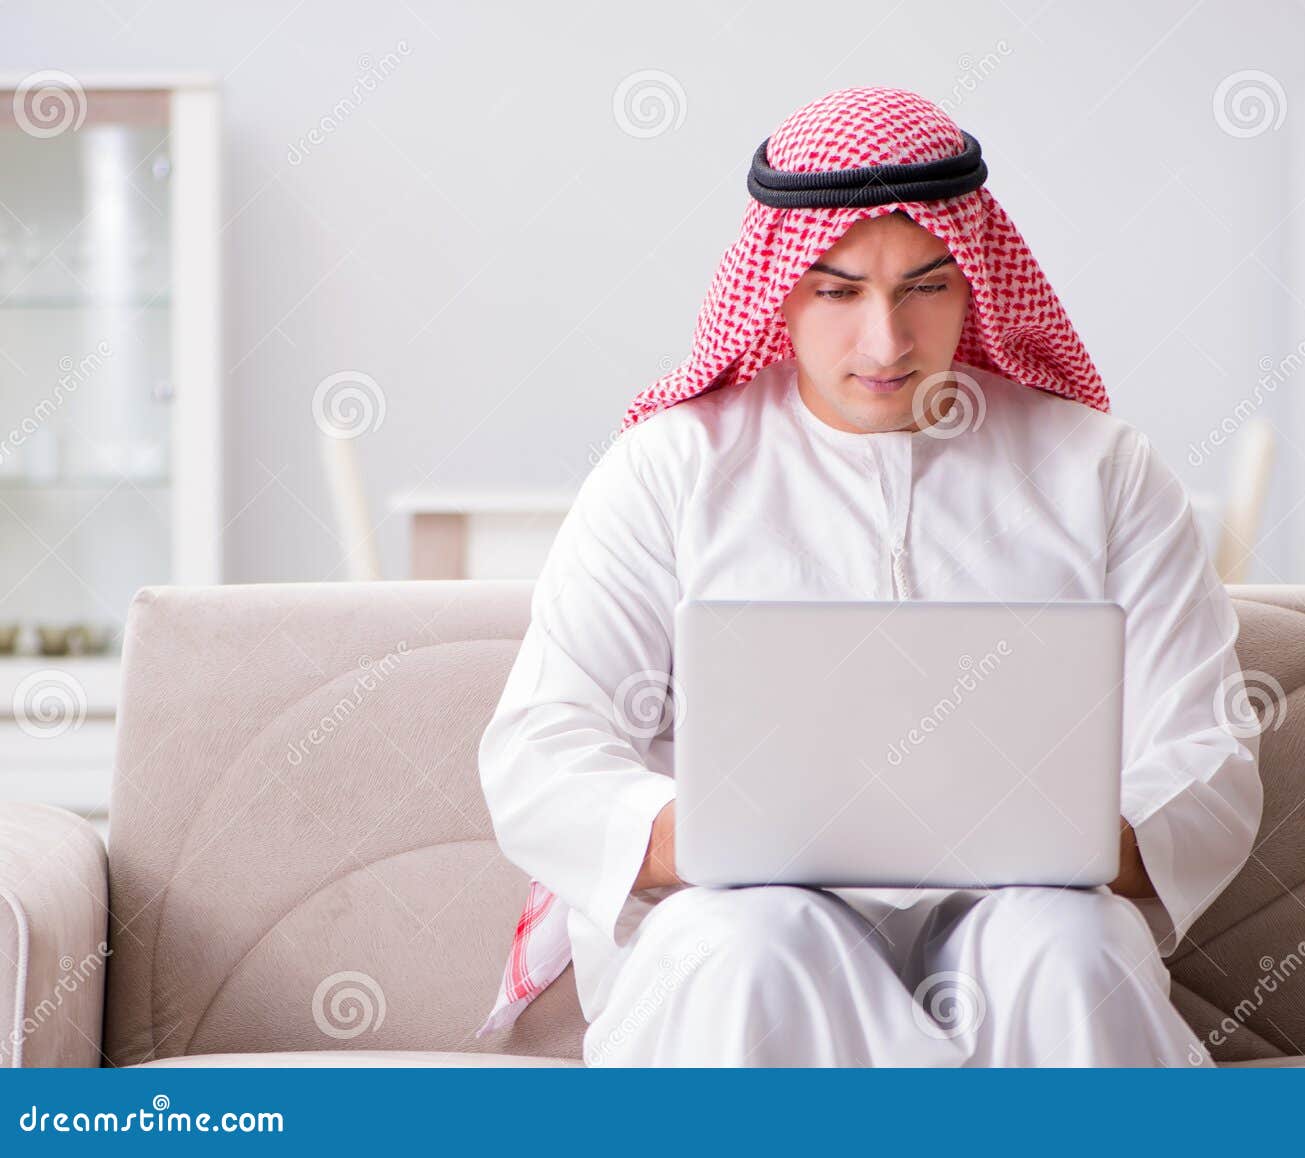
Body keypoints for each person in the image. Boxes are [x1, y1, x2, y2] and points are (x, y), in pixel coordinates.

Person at [476, 86, 1262, 1066]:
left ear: (973, 280)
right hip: (742, 917)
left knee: (1068, 948)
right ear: (778, 290)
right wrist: (715, 837)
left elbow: (1204, 752)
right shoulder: (673, 468)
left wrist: (1080, 836)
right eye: (838, 291)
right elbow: (543, 751)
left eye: (925, 287)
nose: (886, 341)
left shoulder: (1099, 469)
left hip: (1023, 913)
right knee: (753, 950)